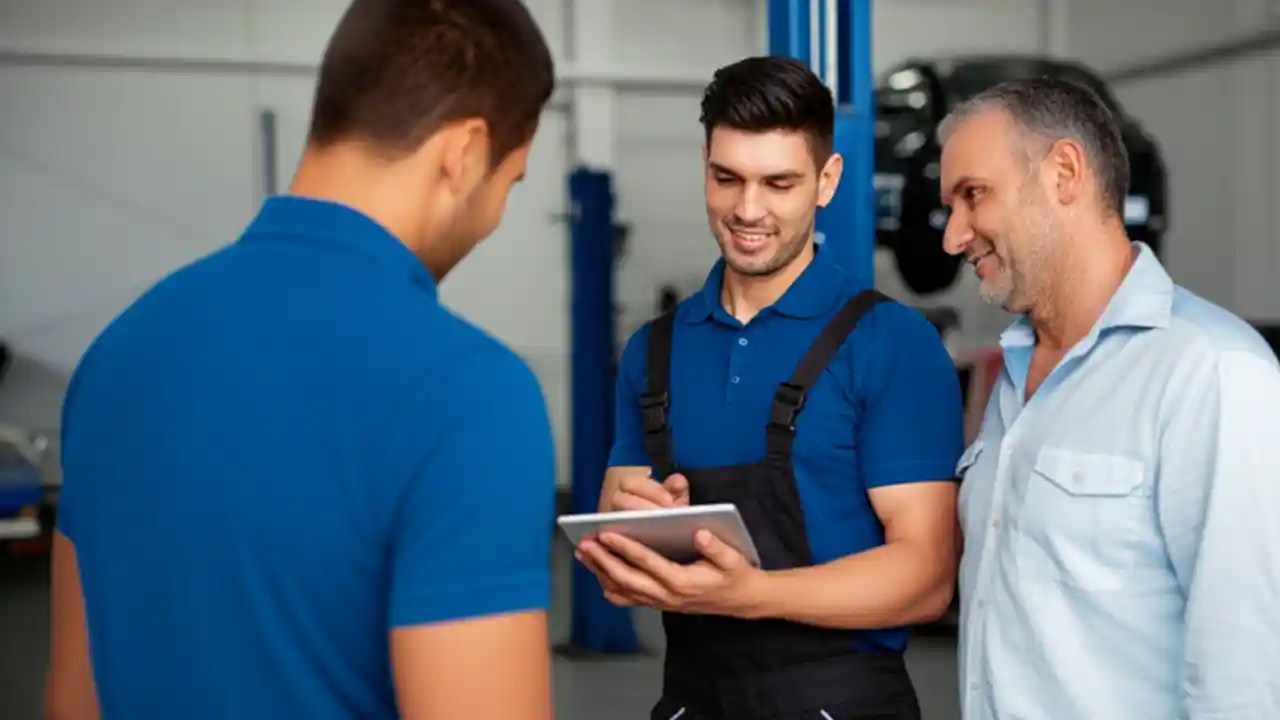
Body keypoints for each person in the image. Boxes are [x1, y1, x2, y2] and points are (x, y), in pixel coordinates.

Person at [44, 2, 558, 718]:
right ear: (464, 153)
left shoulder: (117, 354)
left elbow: (72, 704)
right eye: (511, 182)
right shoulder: (467, 395)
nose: (495, 214)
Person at [575, 56, 966, 720]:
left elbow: (926, 577)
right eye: (727, 178)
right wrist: (632, 529)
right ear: (704, 163)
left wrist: (749, 592)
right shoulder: (656, 350)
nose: (747, 210)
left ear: (826, 180)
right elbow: (621, 513)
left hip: (842, 703)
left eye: (778, 183)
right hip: (690, 701)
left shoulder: (891, 345)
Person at [938, 76, 1280, 719]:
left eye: (973, 196)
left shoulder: (1211, 374)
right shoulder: (1011, 378)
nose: (954, 236)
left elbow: (1247, 673)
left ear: (1064, 173)